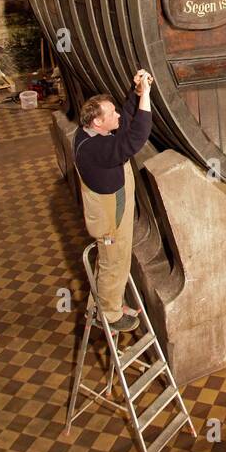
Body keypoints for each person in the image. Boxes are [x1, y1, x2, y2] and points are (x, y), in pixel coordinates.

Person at [74, 70, 153, 333]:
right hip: (110, 215)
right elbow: (136, 137)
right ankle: (109, 314)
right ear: (98, 122)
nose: (117, 115)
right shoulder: (96, 149)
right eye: (111, 114)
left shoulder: (91, 133)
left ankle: (104, 305)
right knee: (114, 261)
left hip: (111, 205)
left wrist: (136, 93)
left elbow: (125, 123)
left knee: (109, 259)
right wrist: (147, 99)